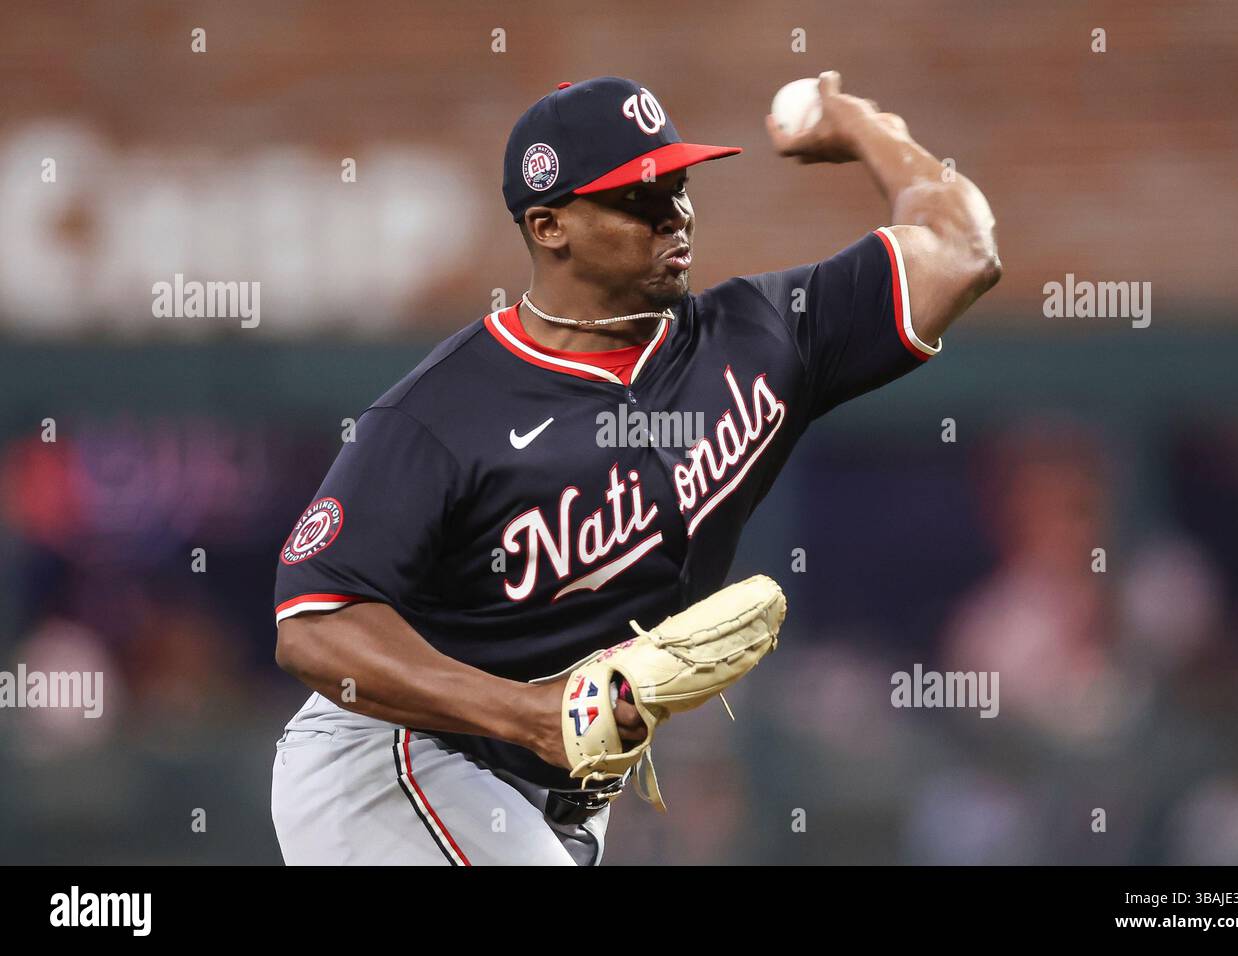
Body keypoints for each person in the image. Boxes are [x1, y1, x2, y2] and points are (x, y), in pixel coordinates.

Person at [270, 72, 1000, 865]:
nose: (675, 215)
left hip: (552, 800)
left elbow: (962, 252)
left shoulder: (760, 337)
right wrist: (525, 712)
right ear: (550, 226)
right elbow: (315, 626)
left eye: (679, 187)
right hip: (392, 762)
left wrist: (864, 126)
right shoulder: (436, 415)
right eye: (638, 199)